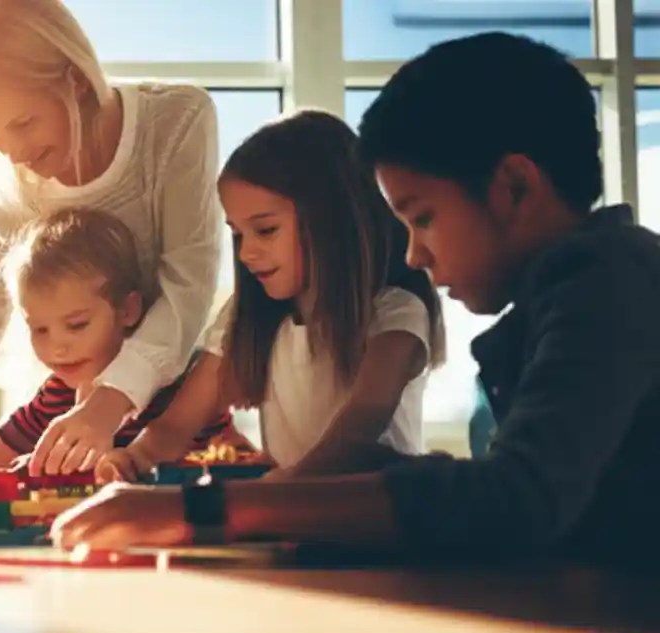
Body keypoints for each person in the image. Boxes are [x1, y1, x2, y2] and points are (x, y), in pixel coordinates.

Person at [53, 33, 660, 570]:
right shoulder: (573, 294)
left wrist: (208, 508)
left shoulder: (607, 282)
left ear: (514, 187)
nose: (416, 255)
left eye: (423, 219)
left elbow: (517, 498)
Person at [0, 0, 222, 477]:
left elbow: (188, 287)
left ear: (75, 79)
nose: (12, 150)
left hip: (167, 404)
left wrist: (107, 406)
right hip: (75, 411)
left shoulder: (176, 121)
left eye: (24, 123)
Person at [99, 109, 443, 484]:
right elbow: (175, 426)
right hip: (289, 526)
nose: (246, 253)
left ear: (330, 218)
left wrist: (278, 488)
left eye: (265, 230)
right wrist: (132, 458)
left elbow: (355, 433)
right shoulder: (245, 320)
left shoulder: (396, 314)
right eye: (238, 234)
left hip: (376, 530)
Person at [0, 208, 232, 471]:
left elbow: (220, 462)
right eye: (39, 329)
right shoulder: (56, 394)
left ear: (127, 310)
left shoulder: (180, 385)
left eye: (76, 325)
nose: (57, 348)